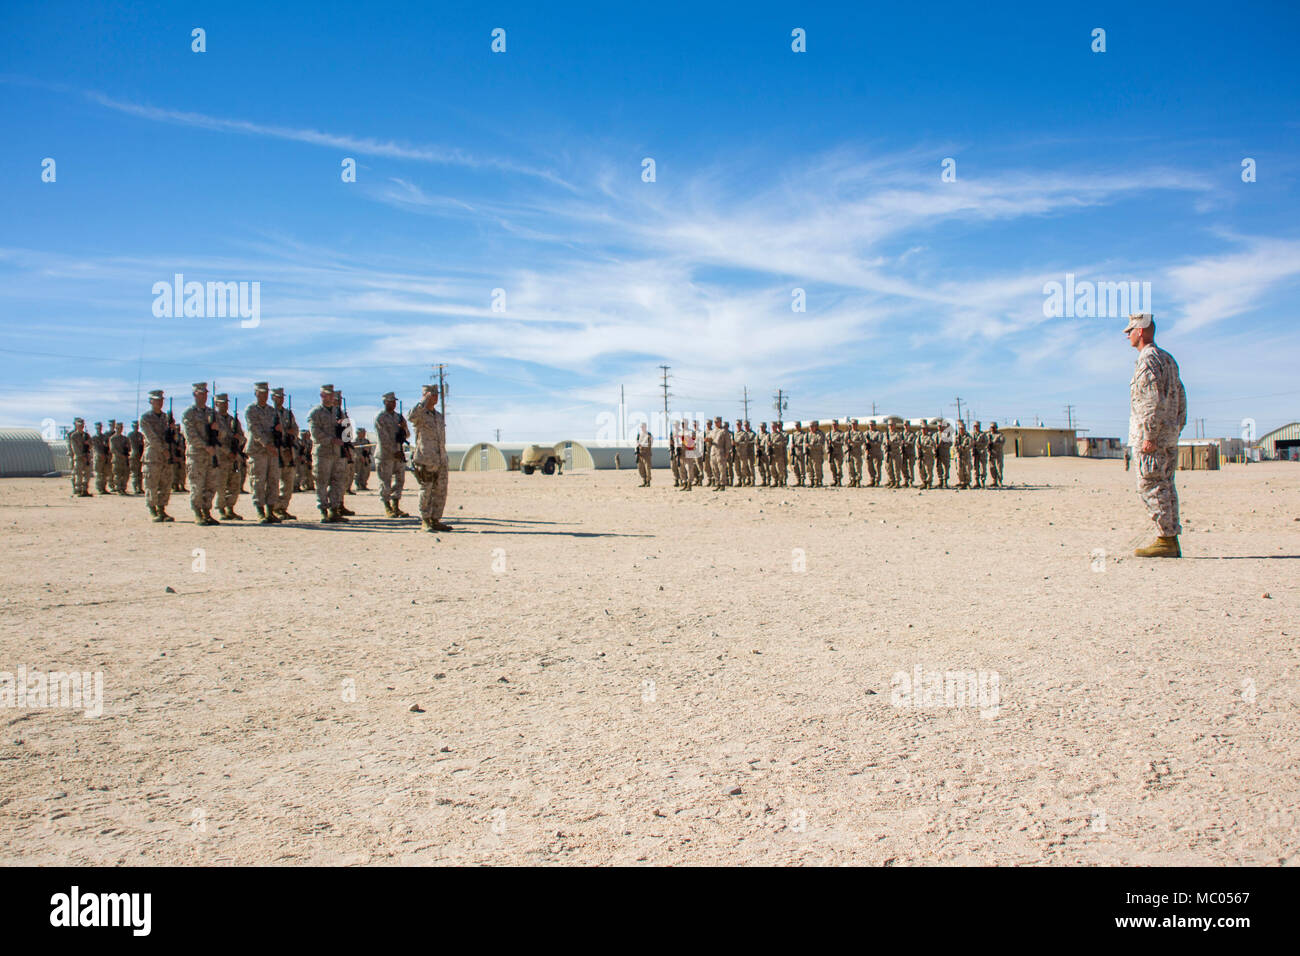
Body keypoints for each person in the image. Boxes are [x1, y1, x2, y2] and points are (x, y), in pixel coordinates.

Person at [1126, 313, 1187, 557]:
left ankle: (1166, 539)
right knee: (1165, 485)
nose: (1127, 335)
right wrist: (1176, 426)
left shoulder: (1148, 359)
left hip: (1153, 437)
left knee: (1150, 485)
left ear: (1141, 331)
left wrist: (1149, 435)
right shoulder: (1168, 359)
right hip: (1168, 434)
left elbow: (1150, 399)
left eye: (1130, 330)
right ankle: (1169, 537)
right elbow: (1181, 397)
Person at [409, 383, 451, 531]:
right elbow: (411, 416)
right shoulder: (420, 414)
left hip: (440, 459)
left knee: (440, 490)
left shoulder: (438, 416)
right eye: (431, 394)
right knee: (426, 490)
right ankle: (425, 519)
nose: (435, 397)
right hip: (425, 459)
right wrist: (422, 402)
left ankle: (435, 519)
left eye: (436, 394)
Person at [182, 383, 223, 525]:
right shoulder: (189, 413)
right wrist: (205, 446)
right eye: (201, 393)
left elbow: (223, 434)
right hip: (197, 454)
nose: (204, 396)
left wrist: (217, 430)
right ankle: (197, 512)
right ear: (194, 394)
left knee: (211, 484)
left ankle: (207, 511)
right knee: (197, 485)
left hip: (211, 455)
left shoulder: (212, 413)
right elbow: (190, 435)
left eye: (205, 393)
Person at [308, 384, 350, 523]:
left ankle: (334, 509)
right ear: (322, 396)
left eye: (332, 395)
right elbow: (315, 434)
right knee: (322, 481)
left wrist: (344, 428)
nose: (331, 398)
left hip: (337, 453)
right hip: (323, 453)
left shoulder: (338, 412)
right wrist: (332, 440)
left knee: (337, 481)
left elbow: (346, 433)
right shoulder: (315, 413)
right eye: (328, 395)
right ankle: (323, 510)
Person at [244, 382, 282, 524]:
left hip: (272, 451)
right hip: (258, 450)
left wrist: (279, 432)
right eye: (261, 393)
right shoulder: (251, 410)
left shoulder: (272, 411)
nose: (264, 395)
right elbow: (254, 429)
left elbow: (277, 429)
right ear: (256, 394)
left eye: (266, 393)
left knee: (273, 480)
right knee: (258, 481)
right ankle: (260, 512)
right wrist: (267, 444)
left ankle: (270, 511)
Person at [139, 390, 175, 521]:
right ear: (151, 401)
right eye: (156, 400)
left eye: (161, 400)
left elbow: (171, 437)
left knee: (165, 483)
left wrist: (172, 429)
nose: (159, 402)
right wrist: (162, 450)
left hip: (166, 456)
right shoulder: (145, 418)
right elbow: (151, 437)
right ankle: (152, 510)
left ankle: (161, 509)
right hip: (153, 456)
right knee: (152, 483)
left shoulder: (166, 418)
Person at [374, 392, 410, 517]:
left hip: (398, 454)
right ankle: (387, 506)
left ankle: (396, 505)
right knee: (385, 481)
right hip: (385, 455)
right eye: (390, 402)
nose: (393, 404)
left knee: (400, 480)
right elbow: (383, 438)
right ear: (385, 402)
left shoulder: (398, 417)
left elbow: (407, 435)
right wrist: (394, 451)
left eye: (394, 402)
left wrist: (404, 428)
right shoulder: (380, 417)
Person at [270, 387, 298, 519]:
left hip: (288, 450)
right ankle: (274, 508)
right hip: (275, 450)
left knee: (288, 480)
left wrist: (290, 432)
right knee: (275, 480)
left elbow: (295, 429)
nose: (280, 399)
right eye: (277, 397)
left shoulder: (288, 414)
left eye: (281, 397)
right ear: (272, 398)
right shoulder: (269, 413)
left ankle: (283, 507)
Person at [67, 418, 93, 497]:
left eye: (82, 425)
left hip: (86, 457)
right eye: (79, 425)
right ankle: (77, 489)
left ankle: (85, 489)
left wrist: (88, 444)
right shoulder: (73, 435)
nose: (81, 426)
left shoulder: (86, 435)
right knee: (77, 473)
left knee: (87, 474)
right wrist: (81, 456)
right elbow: (74, 448)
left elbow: (91, 445)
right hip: (78, 457)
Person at [127, 420, 144, 494]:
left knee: (140, 473)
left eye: (137, 426)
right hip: (133, 456)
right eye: (134, 426)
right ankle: (135, 488)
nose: (136, 427)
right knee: (134, 472)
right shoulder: (130, 435)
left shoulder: (140, 435)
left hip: (140, 455)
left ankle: (139, 487)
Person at [987, 422, 1005, 488]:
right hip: (991, 453)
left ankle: (1000, 481)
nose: (992, 429)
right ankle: (994, 481)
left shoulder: (1000, 435)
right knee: (991, 467)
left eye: (993, 427)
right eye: (991, 427)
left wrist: (994, 443)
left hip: (998, 453)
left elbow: (1002, 443)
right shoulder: (988, 435)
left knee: (999, 467)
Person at [635, 422, 653, 486]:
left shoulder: (649, 434)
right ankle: (644, 480)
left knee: (647, 468)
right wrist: (636, 451)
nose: (642, 428)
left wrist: (641, 445)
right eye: (641, 427)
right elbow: (636, 443)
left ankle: (648, 482)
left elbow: (649, 444)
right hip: (640, 454)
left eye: (643, 426)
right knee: (640, 468)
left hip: (646, 454)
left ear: (645, 427)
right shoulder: (639, 435)